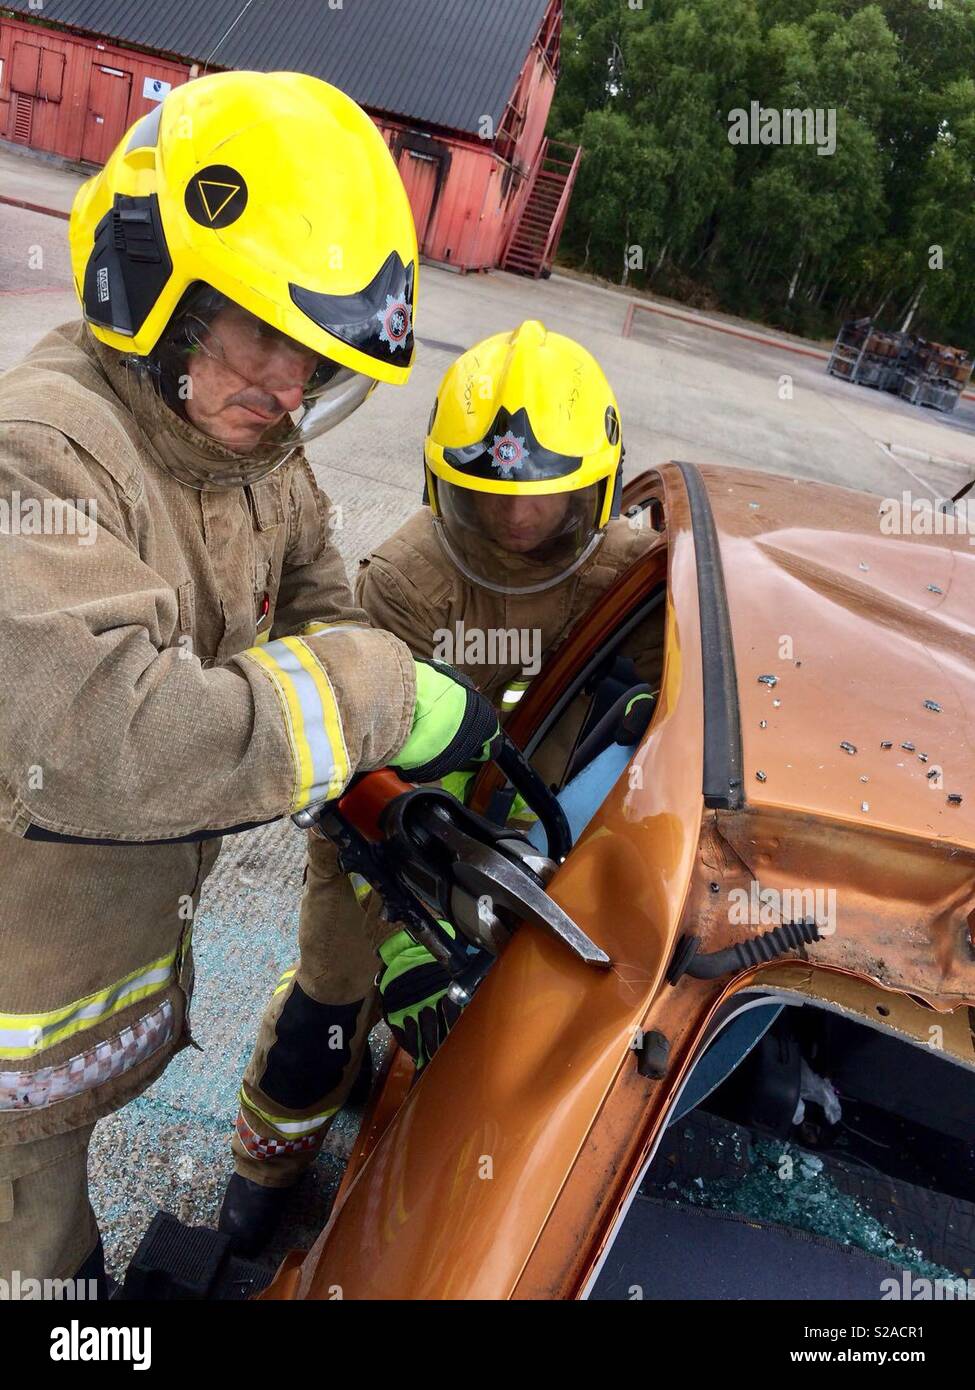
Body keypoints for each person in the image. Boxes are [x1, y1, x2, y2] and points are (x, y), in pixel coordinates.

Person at [0, 71, 500, 1294]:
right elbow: (106, 735)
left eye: (313, 358)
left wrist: (393, 797)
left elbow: (322, 602)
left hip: (68, 1000)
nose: (287, 386)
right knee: (36, 1256)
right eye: (260, 332)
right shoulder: (43, 451)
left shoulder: (255, 455)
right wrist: (381, 695)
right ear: (154, 283)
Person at [221, 320, 665, 1253]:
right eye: (487, 498)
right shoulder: (408, 580)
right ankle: (265, 1174)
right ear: (440, 484)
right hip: (382, 834)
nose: (513, 523)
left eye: (541, 503)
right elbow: (348, 769)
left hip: (520, 837)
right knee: (326, 1012)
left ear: (598, 485)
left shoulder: (627, 575)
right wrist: (400, 949)